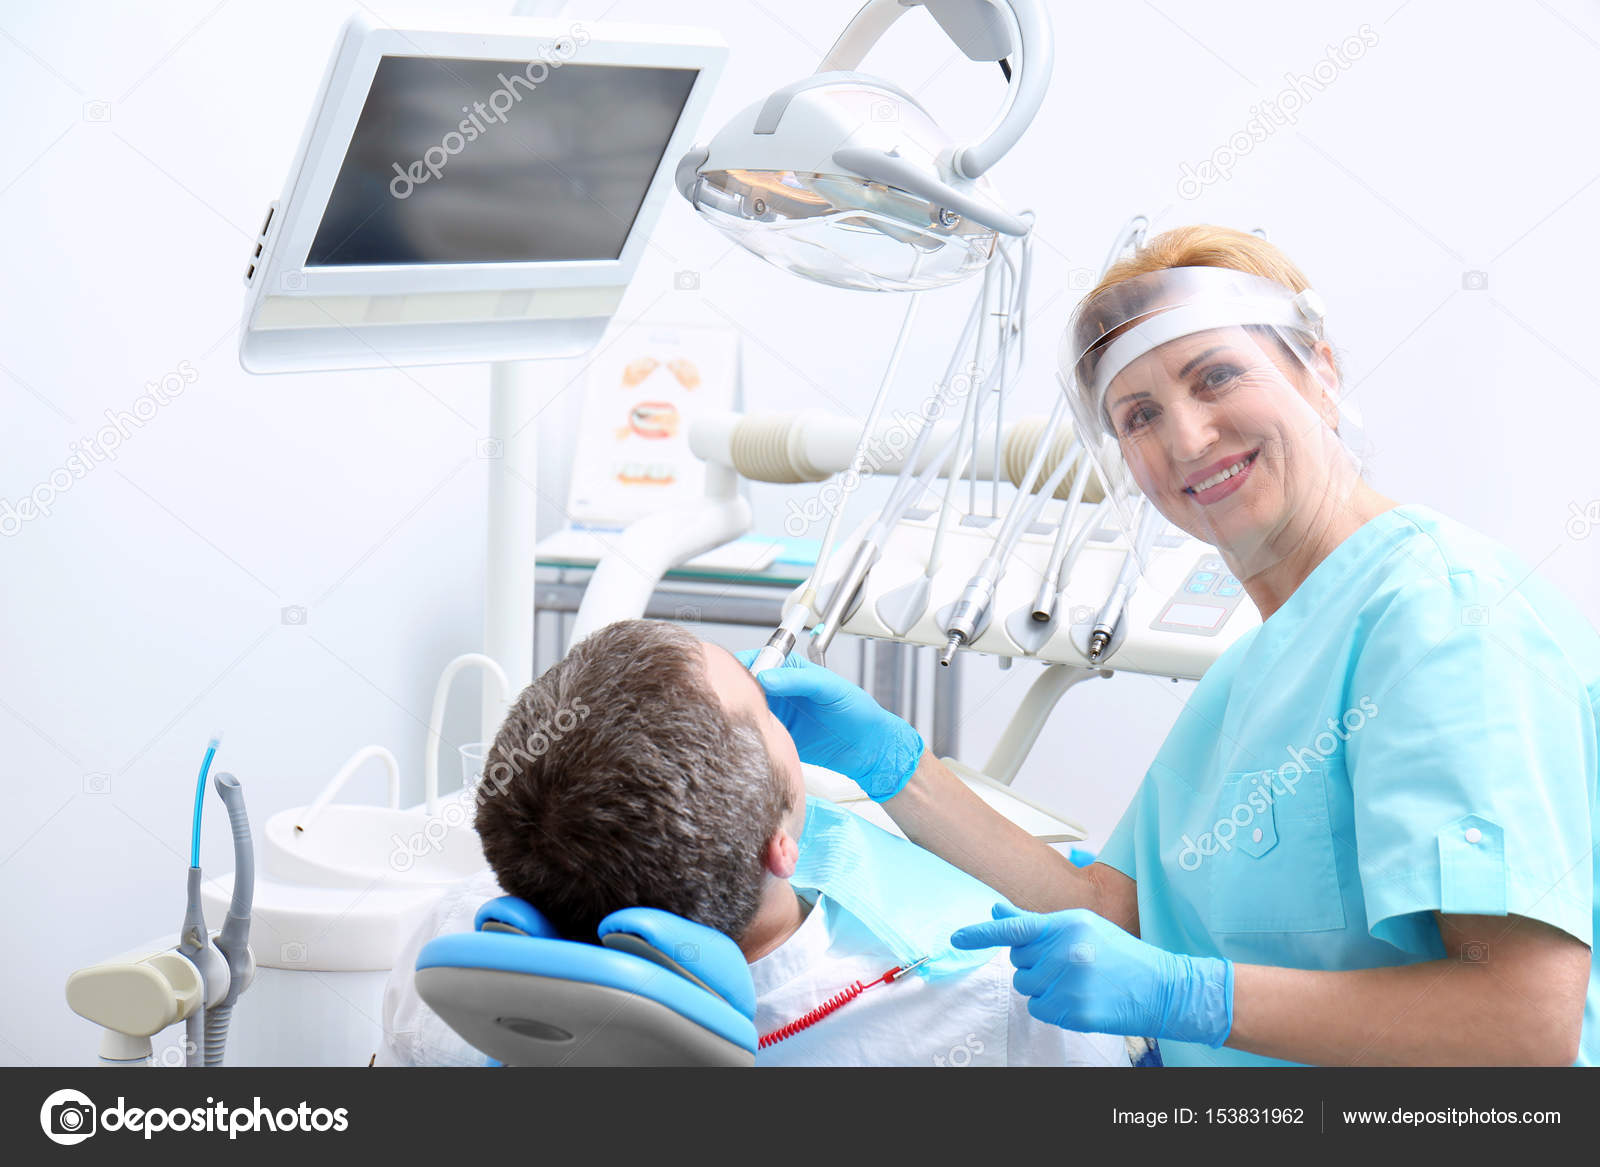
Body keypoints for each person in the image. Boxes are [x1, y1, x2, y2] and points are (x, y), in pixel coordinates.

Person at [748, 225, 1600, 1067]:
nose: (1187, 439)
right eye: (1140, 415)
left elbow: (1521, 1026)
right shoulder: (1254, 666)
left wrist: (1193, 999)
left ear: (1322, 374)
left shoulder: (1443, 621)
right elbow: (1114, 912)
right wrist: (894, 763)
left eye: (1217, 376)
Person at [376, 618, 1132, 1068]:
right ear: (780, 846)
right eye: (768, 717)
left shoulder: (450, 952)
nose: (782, 720)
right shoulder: (1002, 1000)